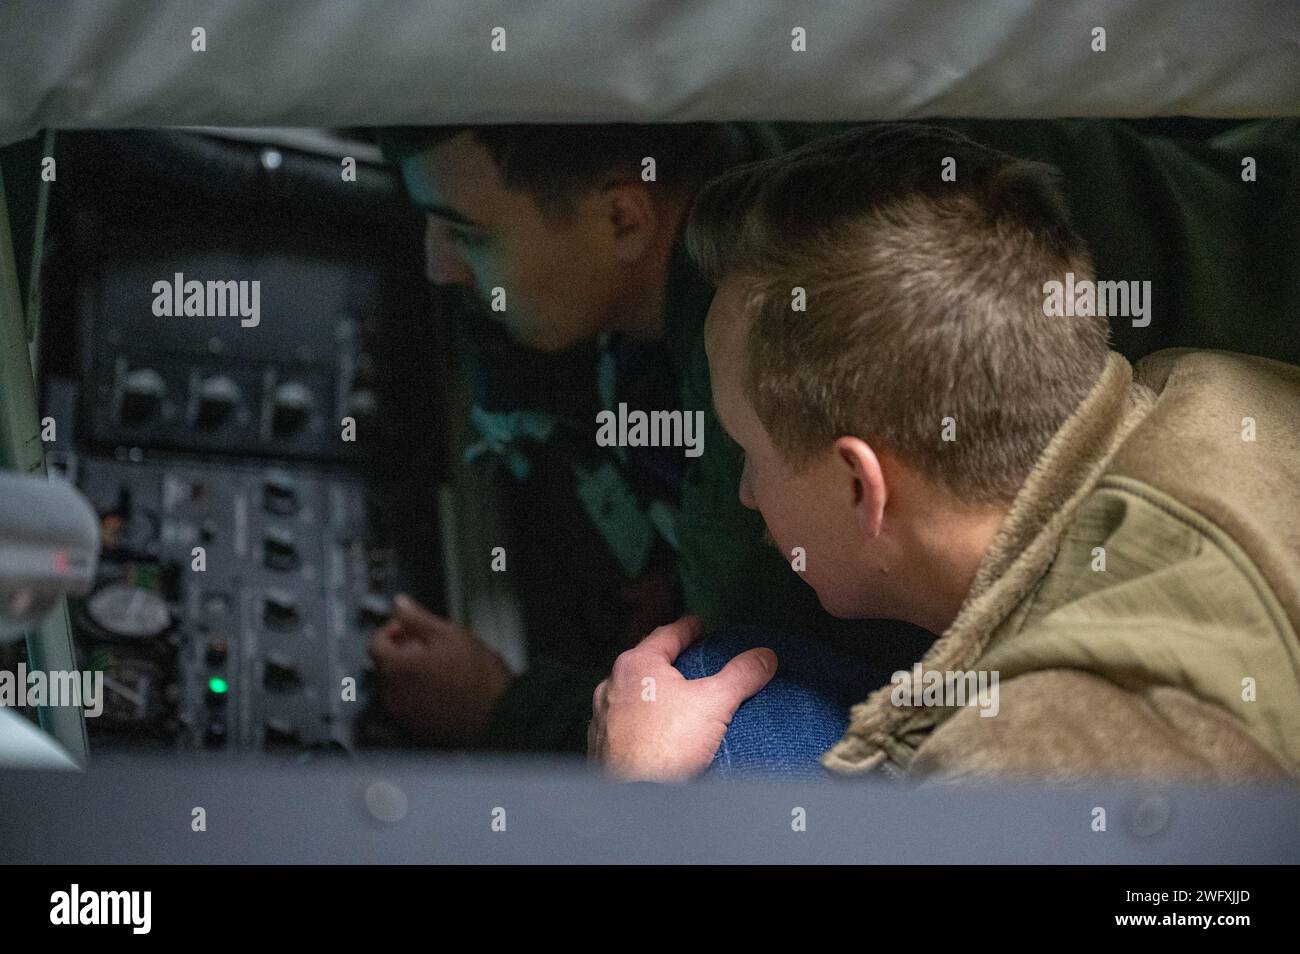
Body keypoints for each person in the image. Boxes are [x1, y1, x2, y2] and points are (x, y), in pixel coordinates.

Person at [373, 119, 1300, 757]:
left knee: (719, 700)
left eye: (749, 458)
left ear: (861, 485)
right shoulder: (1205, 383)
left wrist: (646, 810)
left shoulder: (1034, 757)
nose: (740, 493)